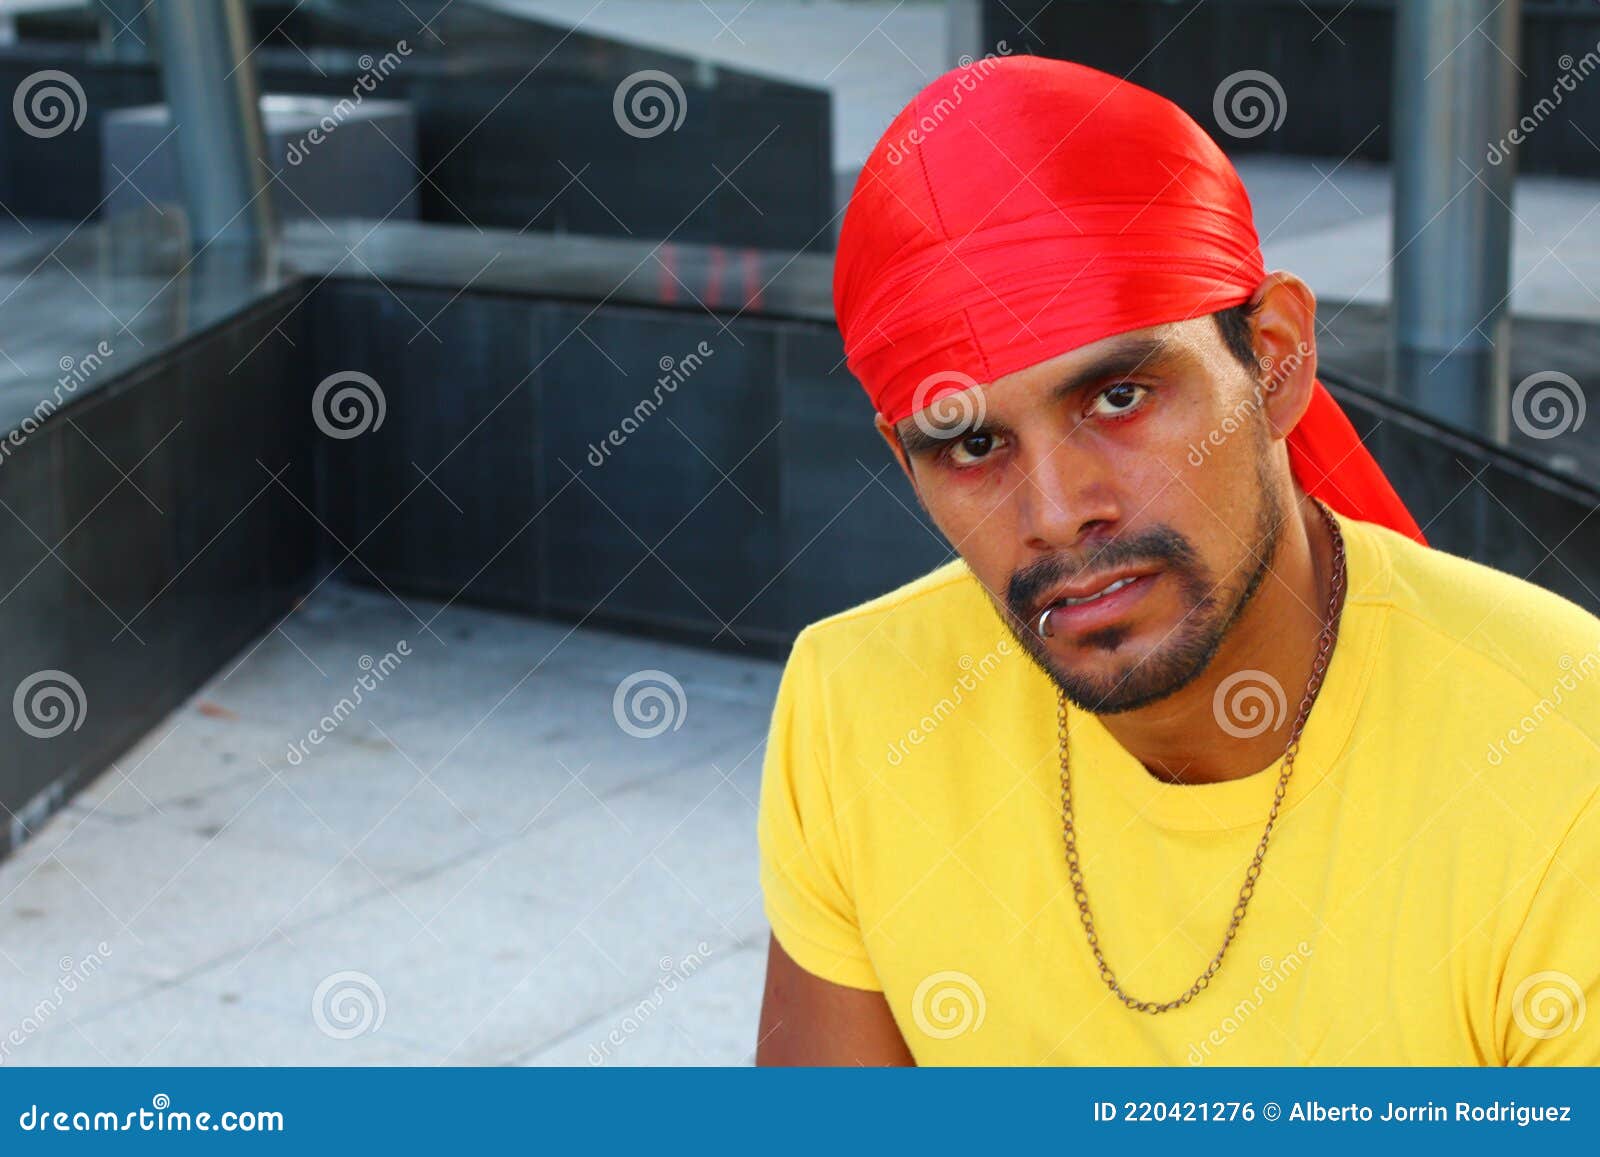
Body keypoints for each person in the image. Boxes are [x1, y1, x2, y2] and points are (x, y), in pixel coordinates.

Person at [754, 55, 1600, 1066]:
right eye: (974, 445)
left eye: (1118, 398)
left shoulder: (1559, 754)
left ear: (1275, 357)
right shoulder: (856, 702)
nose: (1059, 513)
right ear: (905, 460)